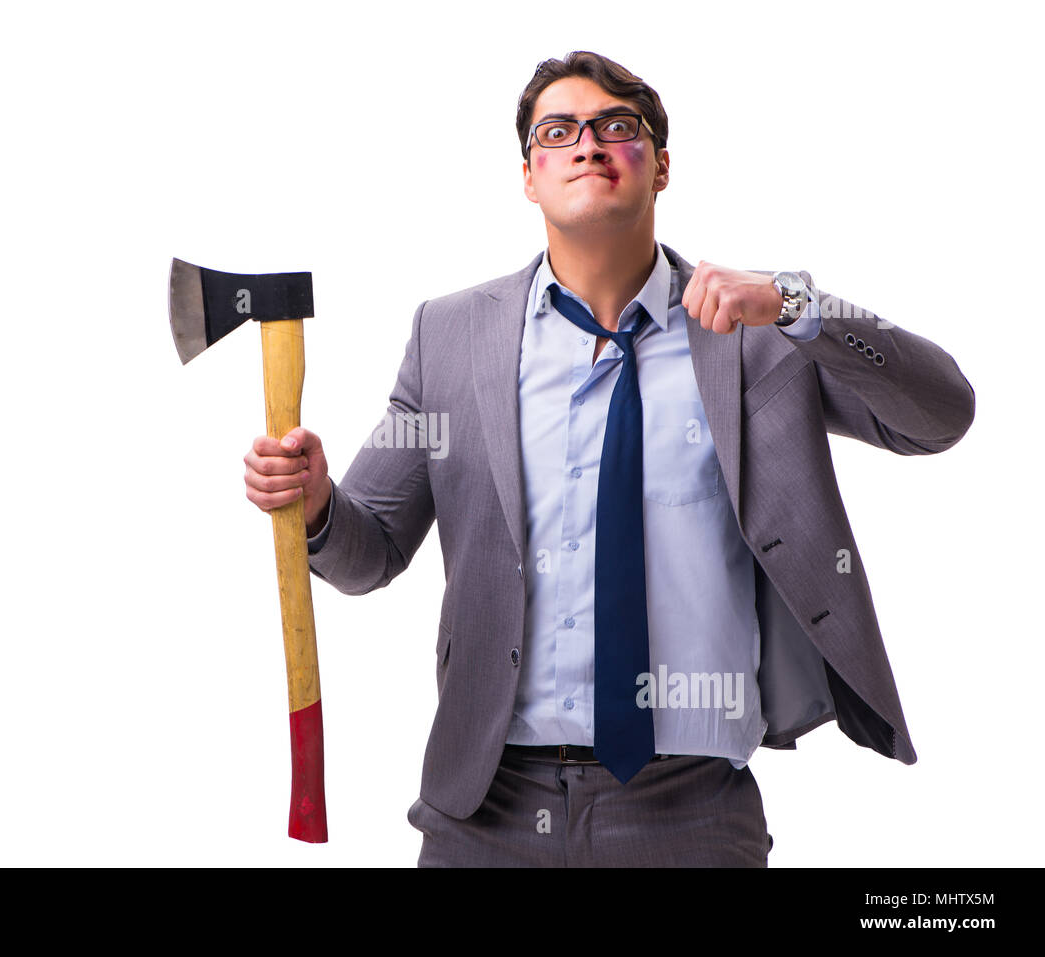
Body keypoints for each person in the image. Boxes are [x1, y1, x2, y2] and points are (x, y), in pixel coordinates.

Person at [242, 50, 975, 867]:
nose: (588, 144)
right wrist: (314, 504)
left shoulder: (754, 332)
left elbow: (940, 415)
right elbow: (368, 548)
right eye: (559, 131)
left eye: (617, 128)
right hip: (485, 808)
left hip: (688, 811)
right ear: (529, 175)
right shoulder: (451, 337)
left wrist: (798, 304)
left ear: (661, 166)